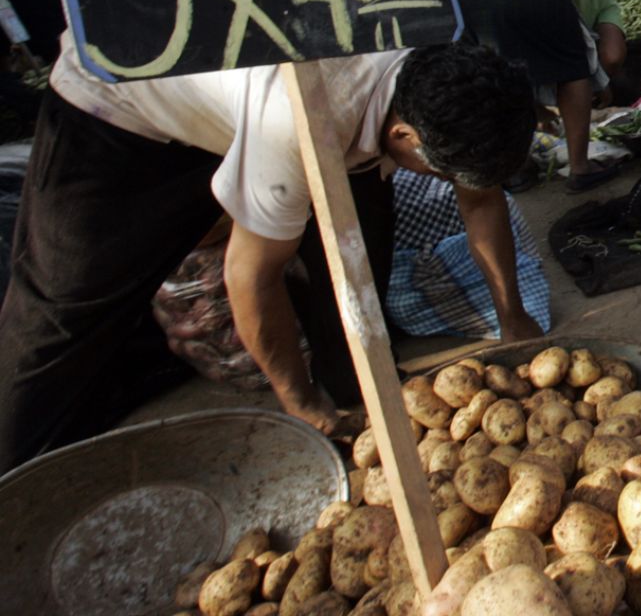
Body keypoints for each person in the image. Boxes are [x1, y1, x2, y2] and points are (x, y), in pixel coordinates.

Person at [0, 38, 541, 468]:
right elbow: (251, 275)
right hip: (117, 110)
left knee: (354, 278)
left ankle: (355, 384)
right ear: (404, 135)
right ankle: (17, 476)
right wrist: (300, 403)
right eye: (440, 170)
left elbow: (480, 198)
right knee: (63, 308)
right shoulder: (297, 121)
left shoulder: (453, 80)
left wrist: (512, 317)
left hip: (262, 95)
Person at [451, 0, 627, 193]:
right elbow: (611, 56)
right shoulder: (606, 3)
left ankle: (517, 170)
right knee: (573, 67)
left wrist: (541, 114)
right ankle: (580, 168)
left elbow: (526, 60)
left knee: (493, 71)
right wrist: (600, 86)